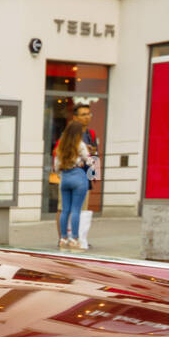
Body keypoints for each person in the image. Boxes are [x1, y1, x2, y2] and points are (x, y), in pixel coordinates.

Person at [53, 119, 92, 252]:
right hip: (78, 177)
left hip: (65, 178)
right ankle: (74, 239)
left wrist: (63, 173)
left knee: (65, 210)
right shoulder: (80, 144)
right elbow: (89, 160)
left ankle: (63, 238)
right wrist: (83, 161)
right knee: (76, 210)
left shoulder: (61, 145)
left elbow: (56, 166)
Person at [73, 103, 101, 249]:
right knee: (70, 208)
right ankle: (68, 238)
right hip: (73, 174)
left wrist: (95, 174)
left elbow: (95, 153)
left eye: (88, 114)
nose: (87, 117)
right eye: (83, 114)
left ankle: (81, 237)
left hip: (86, 174)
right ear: (75, 117)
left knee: (83, 208)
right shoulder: (72, 132)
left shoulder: (91, 133)